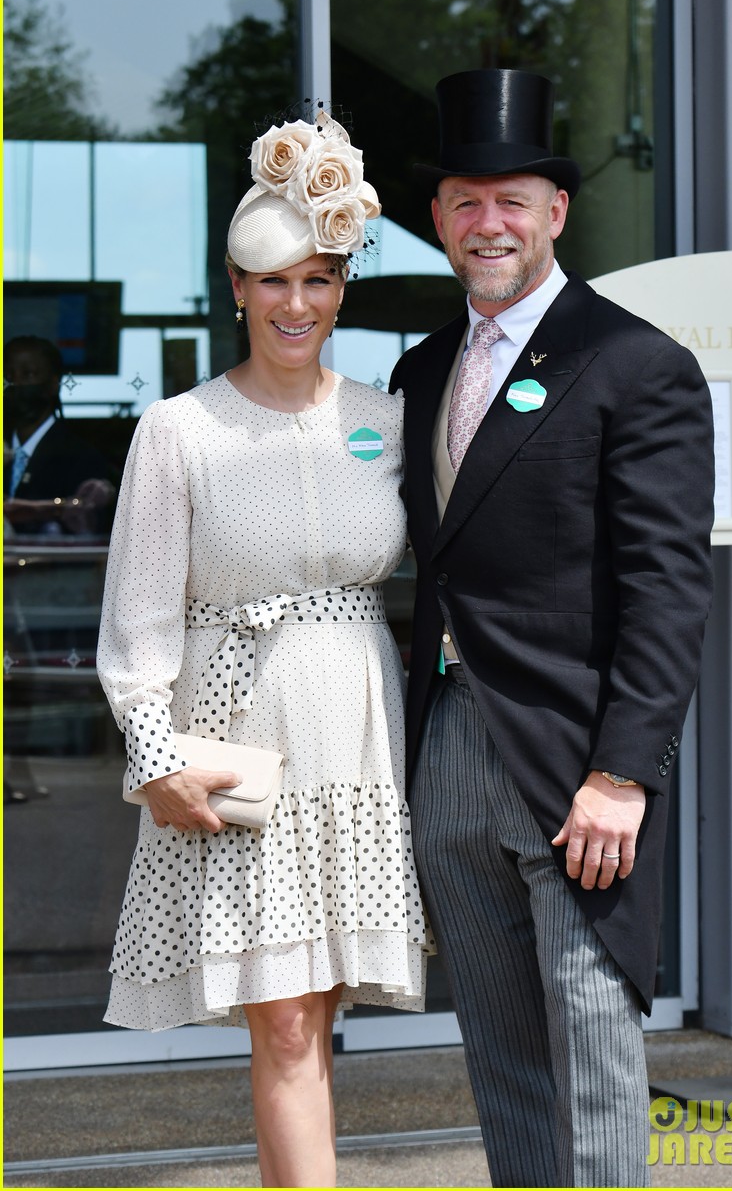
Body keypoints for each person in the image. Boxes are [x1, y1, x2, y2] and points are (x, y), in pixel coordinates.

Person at [390, 69, 715, 1188]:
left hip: (576, 761)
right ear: (438, 217)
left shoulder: (635, 364)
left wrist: (623, 772)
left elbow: (667, 586)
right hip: (447, 750)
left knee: (590, 1045)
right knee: (502, 1052)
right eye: (465, 202)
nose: (489, 224)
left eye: (512, 201)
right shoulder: (421, 369)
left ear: (556, 212)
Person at [97, 111, 427, 1189]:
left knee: (319, 1013)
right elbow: (137, 619)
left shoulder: (387, 420)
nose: (296, 304)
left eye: (318, 280)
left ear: (341, 289)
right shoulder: (177, 429)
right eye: (273, 281)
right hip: (239, 739)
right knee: (281, 1021)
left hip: (358, 737)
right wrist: (155, 753)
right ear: (235, 288)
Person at [3, 335, 117, 537]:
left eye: (28, 374)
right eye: (8, 376)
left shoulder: (80, 457)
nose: (16, 384)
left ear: (53, 385)